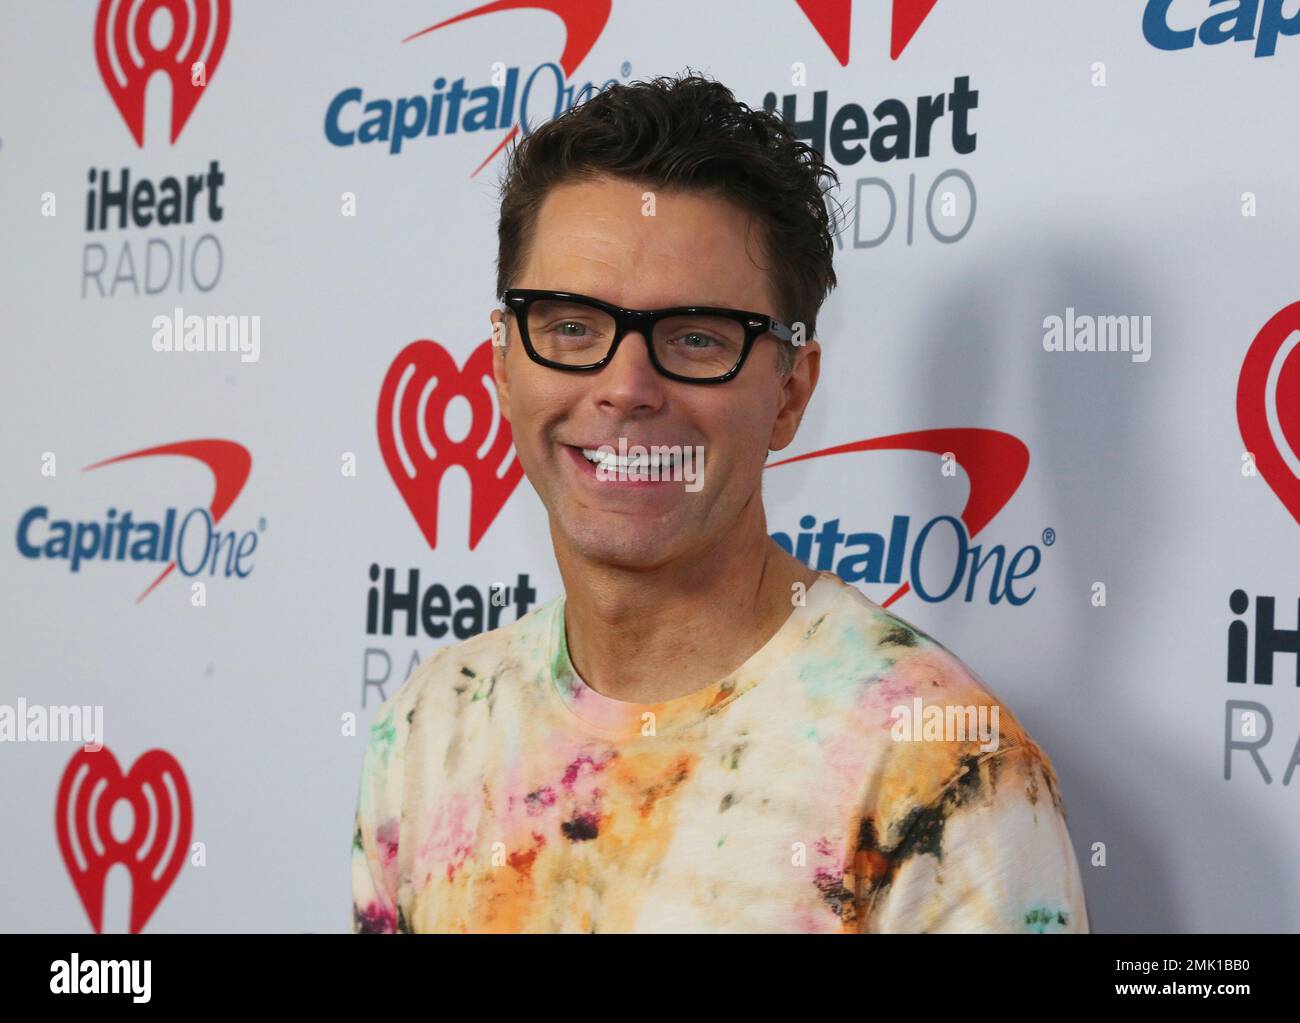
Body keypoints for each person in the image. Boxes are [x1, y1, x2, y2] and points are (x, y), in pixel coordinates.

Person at [351, 72, 1089, 933]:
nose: (625, 387)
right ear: (504, 368)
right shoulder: (431, 728)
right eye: (572, 327)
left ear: (788, 394)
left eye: (695, 337)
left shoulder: (938, 774)